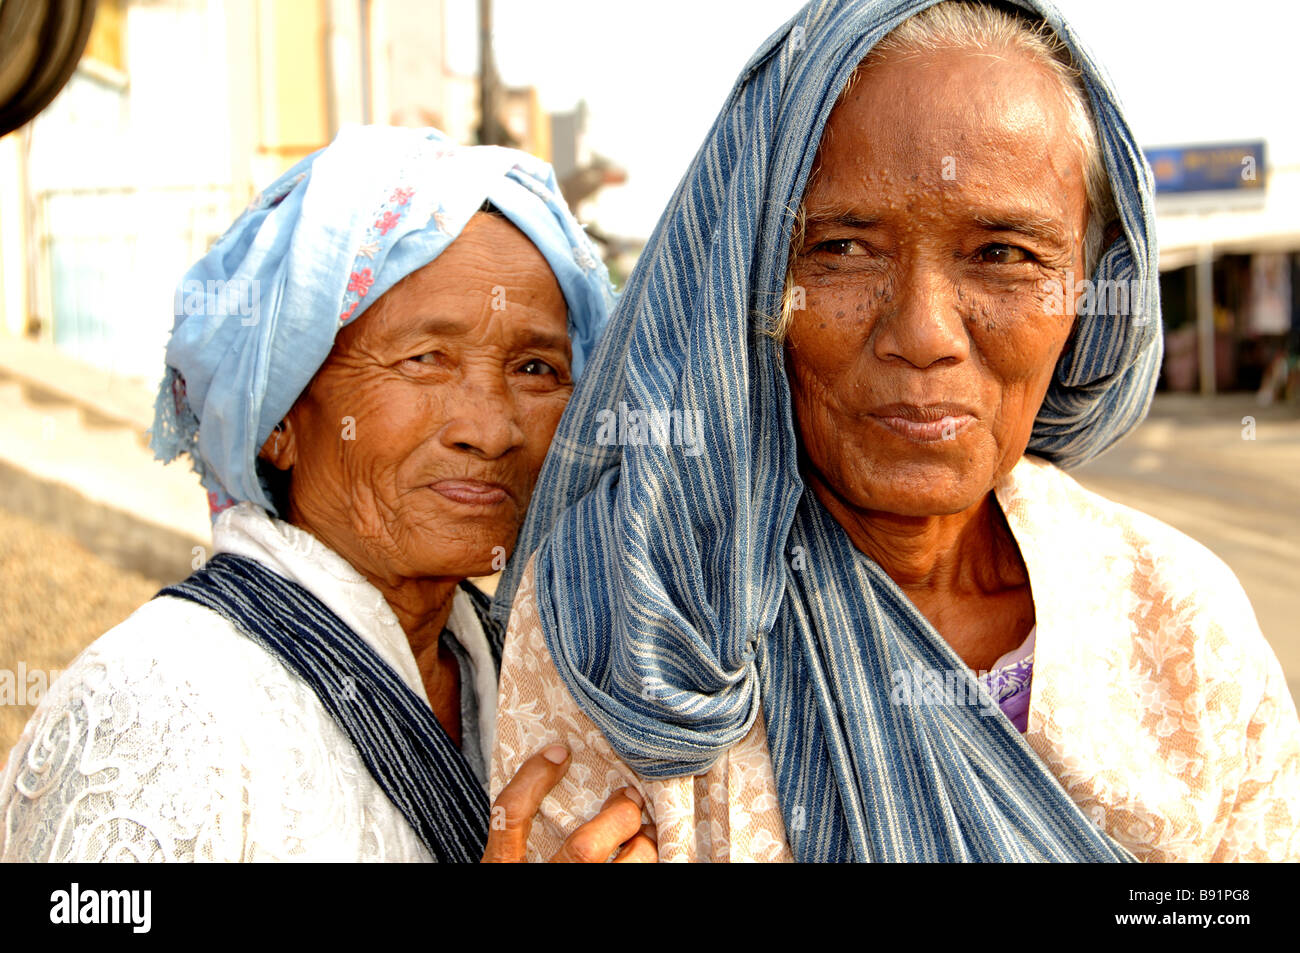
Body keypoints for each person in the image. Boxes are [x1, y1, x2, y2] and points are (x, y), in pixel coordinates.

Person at [488, 0, 1300, 861]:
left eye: (1002, 254)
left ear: (1087, 292)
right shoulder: (633, 615)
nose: (922, 333)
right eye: (842, 248)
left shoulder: (1179, 623)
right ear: (749, 280)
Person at [0, 125, 655, 863]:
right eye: (425, 359)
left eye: (537, 368)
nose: (492, 427)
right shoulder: (157, 707)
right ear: (279, 418)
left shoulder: (538, 679)